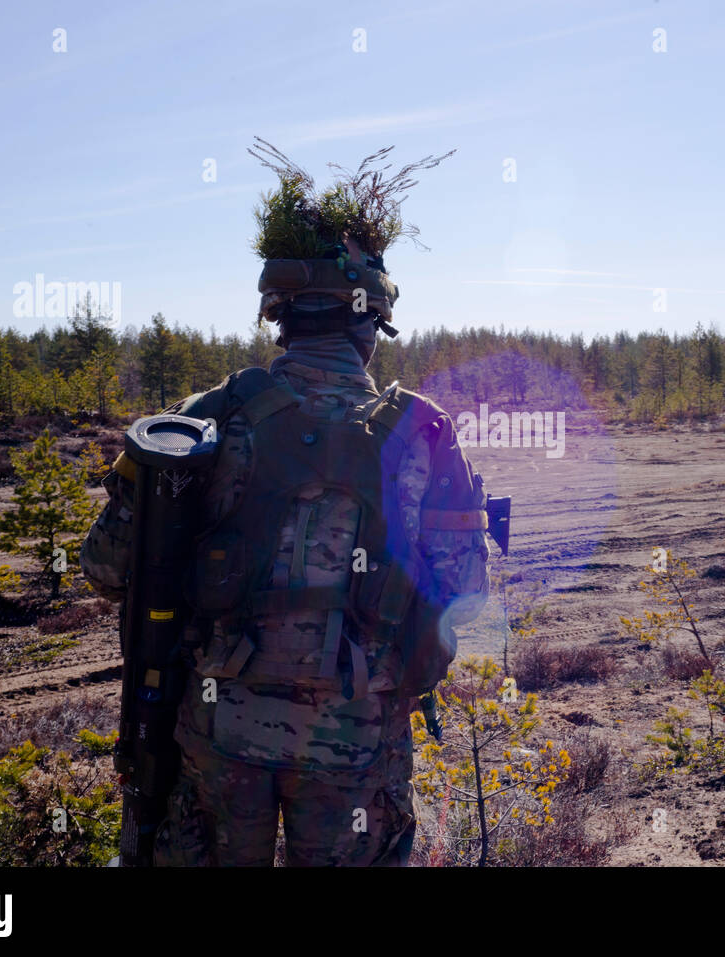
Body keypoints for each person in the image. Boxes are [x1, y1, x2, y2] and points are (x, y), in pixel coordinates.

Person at [80, 164, 489, 865]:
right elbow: (468, 596)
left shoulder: (203, 418)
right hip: (357, 742)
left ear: (281, 315)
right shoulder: (425, 435)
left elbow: (105, 565)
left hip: (218, 734)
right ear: (370, 319)